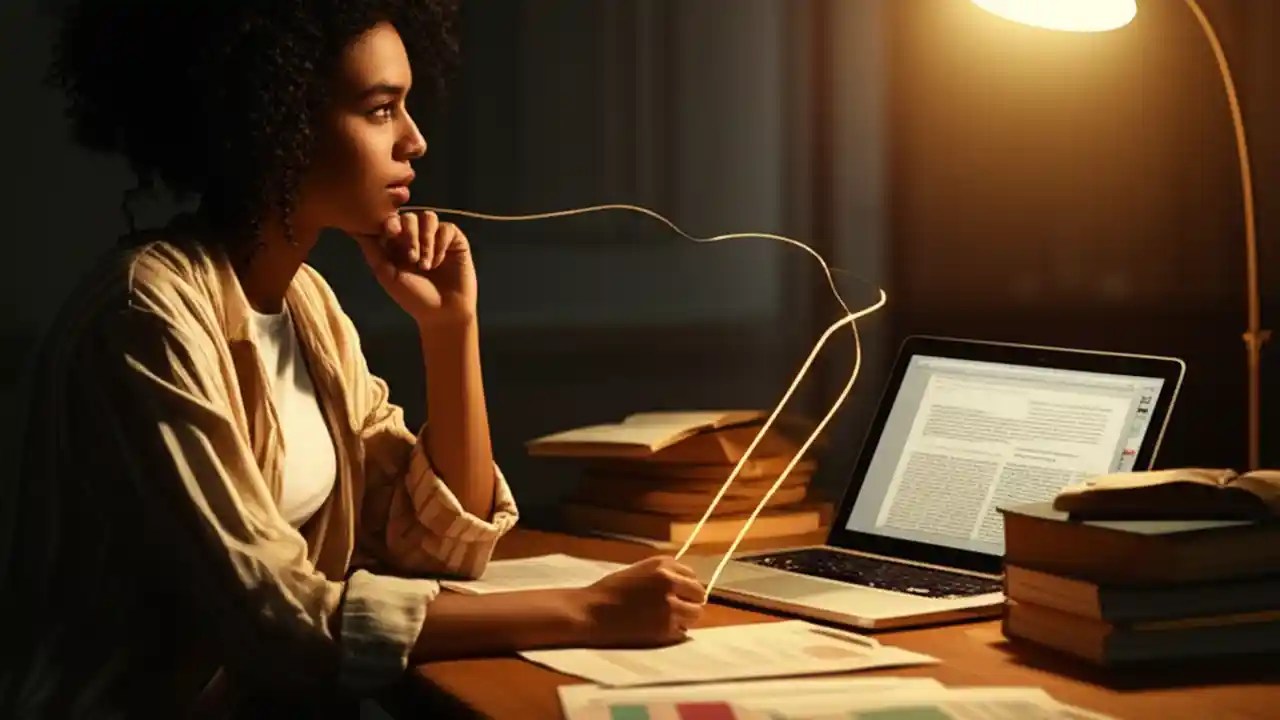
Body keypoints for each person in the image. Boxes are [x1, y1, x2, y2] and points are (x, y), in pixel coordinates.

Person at [0, 0, 705, 716]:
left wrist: (450, 330)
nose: (415, 141)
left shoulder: (306, 302)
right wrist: (585, 612)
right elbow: (279, 622)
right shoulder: (145, 314)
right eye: (380, 110)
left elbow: (438, 547)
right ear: (278, 124)